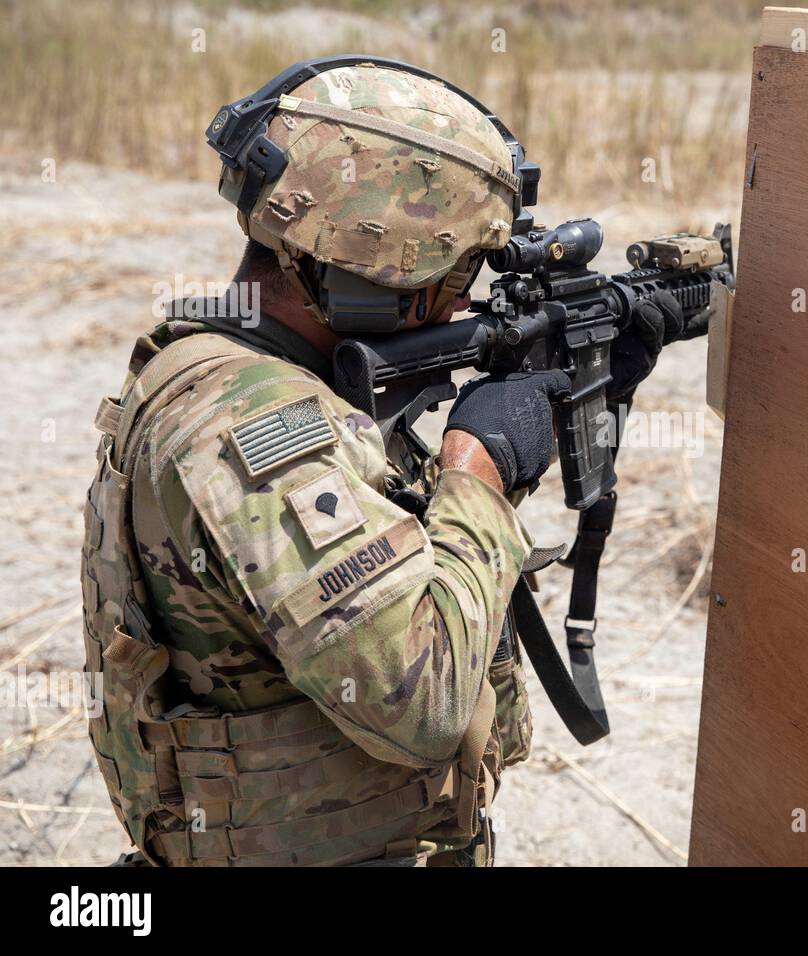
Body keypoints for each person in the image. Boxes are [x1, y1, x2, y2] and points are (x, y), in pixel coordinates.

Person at [79, 58, 682, 867]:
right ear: (384, 266)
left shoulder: (253, 363)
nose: (464, 300)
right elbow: (420, 700)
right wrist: (478, 471)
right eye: (457, 270)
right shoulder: (254, 424)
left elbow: (390, 558)